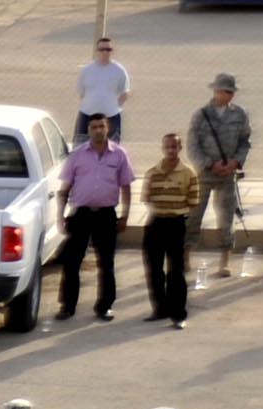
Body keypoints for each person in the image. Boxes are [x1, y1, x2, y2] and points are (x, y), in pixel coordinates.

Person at [57, 116, 131, 323]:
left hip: (106, 215)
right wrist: (60, 216)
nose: (98, 130)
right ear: (88, 130)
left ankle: (105, 306)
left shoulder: (119, 155)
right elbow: (65, 188)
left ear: (108, 128)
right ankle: (67, 306)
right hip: (81, 214)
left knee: (106, 263)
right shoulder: (77, 155)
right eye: (93, 127)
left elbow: (126, 187)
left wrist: (125, 215)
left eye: (101, 126)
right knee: (72, 262)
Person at [187, 72, 252, 279]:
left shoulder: (240, 115)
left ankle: (225, 261)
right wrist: (209, 164)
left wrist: (236, 162)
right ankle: (185, 256)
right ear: (216, 91)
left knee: (226, 218)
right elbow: (192, 146)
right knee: (194, 216)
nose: (231, 95)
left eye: (232, 92)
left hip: (227, 175)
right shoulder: (201, 115)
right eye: (227, 91)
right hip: (205, 174)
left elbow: (245, 141)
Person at [138, 131, 199, 328]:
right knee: (154, 269)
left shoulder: (189, 173)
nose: (171, 150)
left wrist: (175, 211)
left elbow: (193, 201)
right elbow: (146, 198)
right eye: (167, 147)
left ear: (180, 148)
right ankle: (160, 309)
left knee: (176, 271)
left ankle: (178, 314)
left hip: (177, 224)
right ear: (162, 148)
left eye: (174, 147)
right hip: (155, 224)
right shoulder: (152, 173)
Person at [75, 35, 129, 141]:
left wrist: (113, 107)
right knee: (81, 147)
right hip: (87, 115)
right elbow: (81, 93)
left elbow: (124, 93)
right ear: (96, 51)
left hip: (111, 117)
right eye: (102, 49)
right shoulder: (86, 70)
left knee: (112, 149)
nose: (105, 52)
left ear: (112, 51)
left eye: (108, 49)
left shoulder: (119, 71)